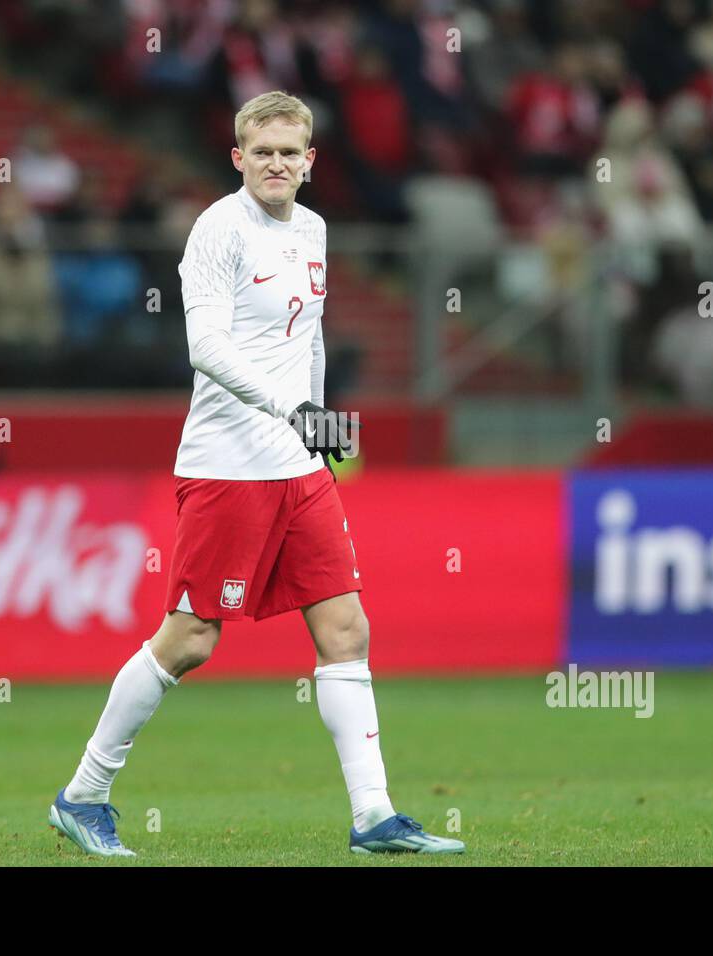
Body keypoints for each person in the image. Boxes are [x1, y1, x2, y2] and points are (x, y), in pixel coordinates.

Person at [48, 90, 464, 857]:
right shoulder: (218, 229)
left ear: (310, 161)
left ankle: (374, 816)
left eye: (289, 152)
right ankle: (83, 794)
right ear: (238, 158)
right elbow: (205, 346)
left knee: (346, 628)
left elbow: (310, 335)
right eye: (262, 152)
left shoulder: (313, 229)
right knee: (190, 638)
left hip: (298, 465)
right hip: (227, 466)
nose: (277, 164)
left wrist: (319, 417)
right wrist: (290, 409)